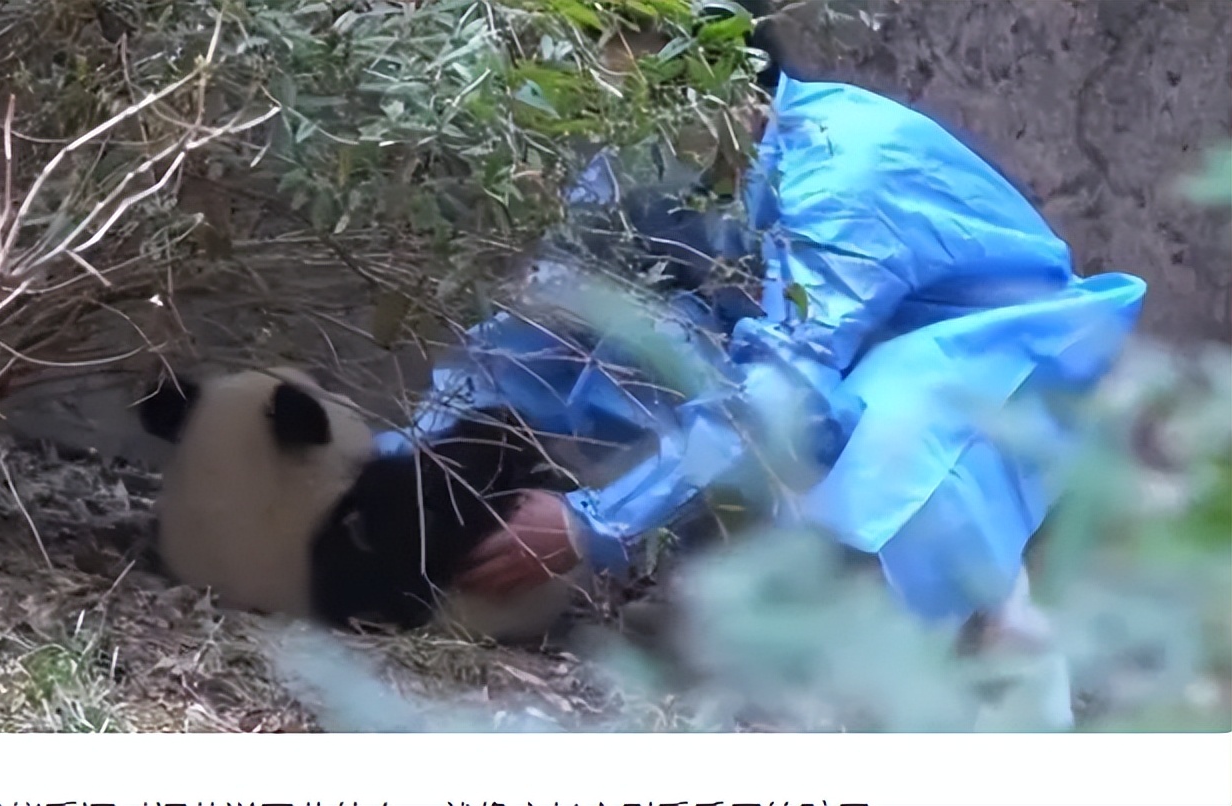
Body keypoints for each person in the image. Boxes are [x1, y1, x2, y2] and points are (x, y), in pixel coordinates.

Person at [375, 76, 1148, 729]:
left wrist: (593, 523)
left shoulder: (845, 169)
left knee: (874, 472)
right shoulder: (638, 160)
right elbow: (536, 326)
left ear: (714, 70)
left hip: (985, 359)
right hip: (832, 370)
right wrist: (405, 459)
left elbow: (789, 385)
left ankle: (998, 649)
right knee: (622, 359)